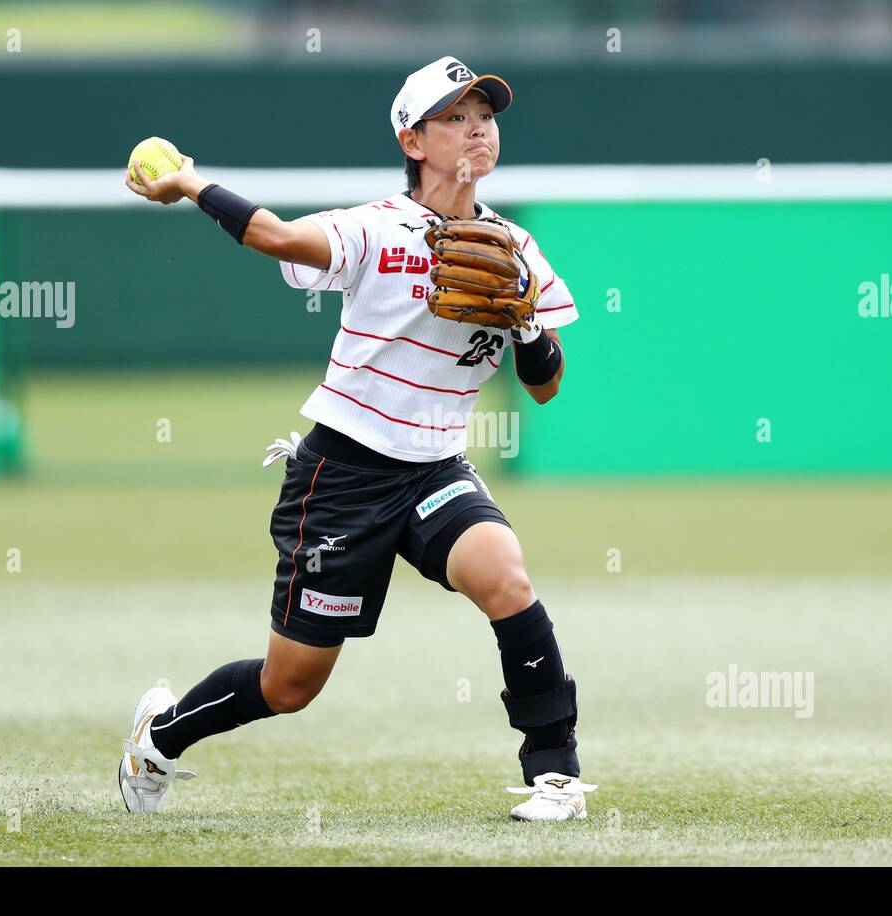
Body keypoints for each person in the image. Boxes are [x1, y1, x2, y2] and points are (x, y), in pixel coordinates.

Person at [120, 56, 594, 821]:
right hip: (342, 475)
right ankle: (161, 736)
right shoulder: (375, 227)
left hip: (434, 469)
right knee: (290, 686)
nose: (477, 132)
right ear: (413, 139)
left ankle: (555, 773)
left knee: (504, 575)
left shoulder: (517, 249)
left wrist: (528, 319)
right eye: (454, 119)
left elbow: (545, 384)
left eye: (485, 117)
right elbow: (274, 236)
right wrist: (189, 184)